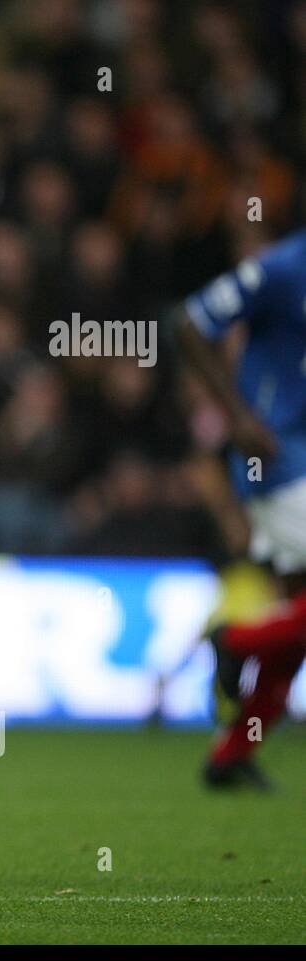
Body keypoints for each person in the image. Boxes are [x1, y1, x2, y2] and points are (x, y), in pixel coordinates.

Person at [176, 227, 306, 790]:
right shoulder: (282, 268)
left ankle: (233, 754)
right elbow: (191, 323)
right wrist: (239, 417)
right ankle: (235, 640)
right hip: (277, 458)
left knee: (299, 624)